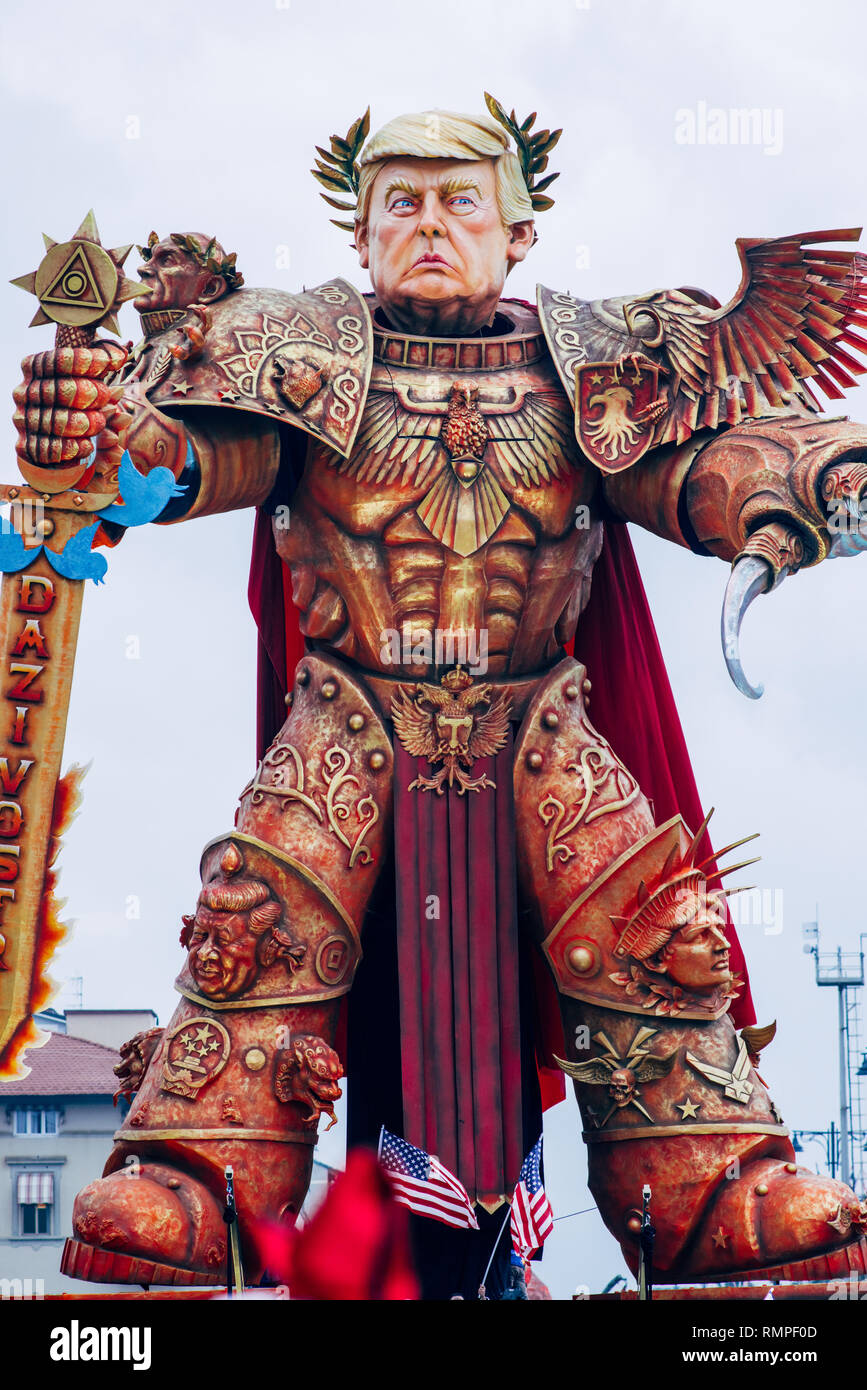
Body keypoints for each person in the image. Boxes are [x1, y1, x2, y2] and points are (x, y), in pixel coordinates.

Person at [16, 99, 867, 1294]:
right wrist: (102, 431)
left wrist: (808, 478)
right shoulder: (299, 357)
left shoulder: (597, 363)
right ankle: (199, 1173)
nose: (429, 223)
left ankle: (716, 1178)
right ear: (359, 235)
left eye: (460, 199)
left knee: (645, 937)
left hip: (539, 727)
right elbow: (200, 459)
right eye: (400, 202)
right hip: (352, 724)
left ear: (518, 230)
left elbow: (693, 466)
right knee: (264, 923)